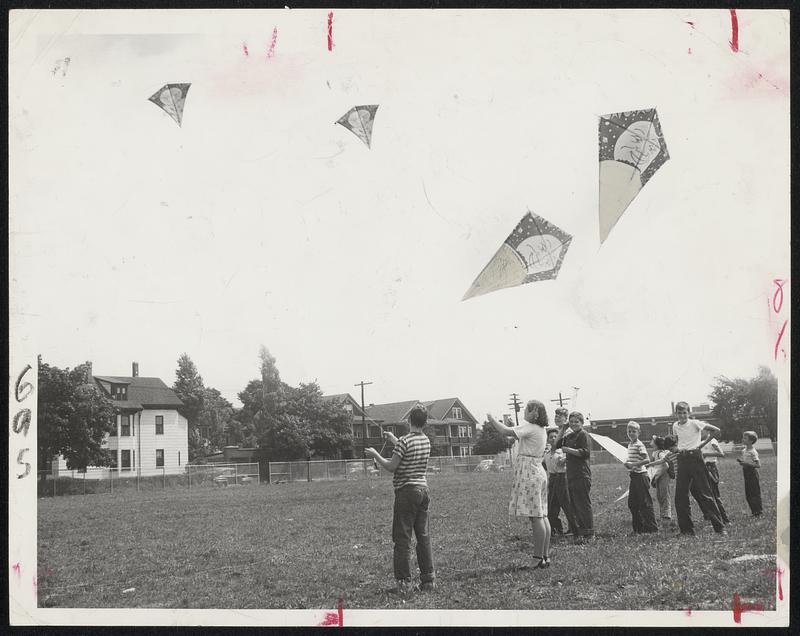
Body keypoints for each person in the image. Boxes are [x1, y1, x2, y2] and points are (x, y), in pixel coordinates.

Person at [365, 404, 435, 595]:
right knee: (423, 536)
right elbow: (408, 450)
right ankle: (428, 580)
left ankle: (403, 582)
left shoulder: (404, 441)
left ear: (408, 421)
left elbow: (392, 466)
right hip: (423, 490)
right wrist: (394, 440)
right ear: (425, 422)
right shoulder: (425, 441)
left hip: (406, 492)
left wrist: (375, 455)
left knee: (402, 538)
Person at [487, 399, 551, 569]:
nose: (524, 413)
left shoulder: (530, 427)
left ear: (535, 412)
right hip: (538, 471)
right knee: (542, 514)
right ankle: (545, 555)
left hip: (530, 472)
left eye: (527, 410)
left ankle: (538, 557)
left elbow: (506, 431)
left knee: (536, 516)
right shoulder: (540, 429)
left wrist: (492, 419)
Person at [671, 402, 727, 536]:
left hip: (696, 458)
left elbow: (716, 431)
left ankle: (720, 528)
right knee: (680, 496)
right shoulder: (675, 426)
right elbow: (676, 440)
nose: (682, 415)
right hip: (682, 459)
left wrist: (701, 445)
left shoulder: (695, 423)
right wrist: (676, 448)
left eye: (685, 413)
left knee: (706, 494)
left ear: (689, 413)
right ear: (676, 414)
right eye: (679, 413)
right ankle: (686, 530)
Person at [555, 411, 593, 541]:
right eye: (571, 422)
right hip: (571, 475)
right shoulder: (570, 435)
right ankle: (580, 533)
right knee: (575, 505)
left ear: (582, 423)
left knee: (583, 504)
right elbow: (557, 444)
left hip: (582, 474)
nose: (574, 424)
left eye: (576, 421)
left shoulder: (583, 434)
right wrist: (563, 428)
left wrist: (569, 450)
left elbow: (585, 453)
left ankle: (589, 533)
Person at [623, 422, 659, 533]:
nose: (631, 433)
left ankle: (652, 528)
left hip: (641, 476)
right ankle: (639, 528)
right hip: (634, 476)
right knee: (632, 503)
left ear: (639, 433)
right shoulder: (630, 444)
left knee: (645, 503)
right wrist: (627, 463)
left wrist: (633, 465)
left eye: (634, 431)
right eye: (629, 431)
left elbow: (647, 460)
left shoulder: (639, 444)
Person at [543, 423, 576, 536]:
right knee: (552, 505)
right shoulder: (546, 454)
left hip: (562, 478)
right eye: (550, 437)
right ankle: (556, 529)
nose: (553, 439)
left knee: (567, 504)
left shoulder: (562, 451)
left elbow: (571, 458)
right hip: (552, 480)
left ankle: (574, 528)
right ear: (547, 440)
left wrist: (565, 459)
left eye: (555, 437)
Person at [700, 428, 731, 524]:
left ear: (708, 431)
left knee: (715, 495)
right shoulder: (700, 442)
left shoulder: (712, 441)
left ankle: (725, 520)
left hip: (711, 468)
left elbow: (721, 453)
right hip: (703, 468)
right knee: (707, 496)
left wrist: (705, 454)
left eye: (701, 431)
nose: (700, 433)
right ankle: (715, 519)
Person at [647, 435, 675, 526]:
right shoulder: (655, 452)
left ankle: (667, 517)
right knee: (660, 496)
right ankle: (663, 516)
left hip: (663, 476)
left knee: (664, 496)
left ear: (656, 444)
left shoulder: (660, 453)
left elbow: (665, 465)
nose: (651, 441)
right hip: (659, 477)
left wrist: (657, 476)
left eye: (653, 440)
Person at [737, 431, 763, 517]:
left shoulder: (753, 451)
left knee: (754, 492)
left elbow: (758, 465)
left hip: (752, 473)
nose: (742, 439)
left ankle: (758, 511)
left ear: (751, 441)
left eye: (745, 438)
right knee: (748, 493)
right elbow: (746, 462)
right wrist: (742, 463)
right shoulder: (744, 450)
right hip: (746, 472)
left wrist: (746, 464)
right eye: (743, 437)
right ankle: (754, 511)